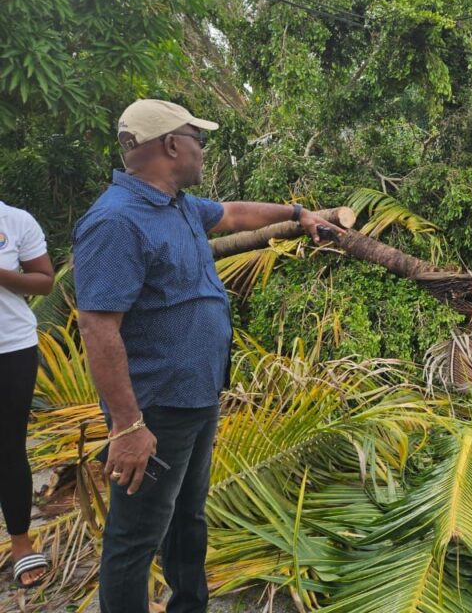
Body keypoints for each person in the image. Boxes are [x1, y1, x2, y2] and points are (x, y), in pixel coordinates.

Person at [73, 99, 347, 613]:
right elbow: (98, 327)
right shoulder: (116, 221)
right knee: (134, 539)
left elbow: (236, 214)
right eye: (198, 139)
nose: (203, 150)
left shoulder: (176, 205)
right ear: (172, 145)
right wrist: (129, 426)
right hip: (152, 410)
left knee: (186, 517)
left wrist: (296, 214)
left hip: (196, 398)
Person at [0, 201, 55, 588]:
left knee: (8, 446)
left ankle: (20, 541)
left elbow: (44, 280)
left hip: (11, 348)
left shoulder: (15, 220)